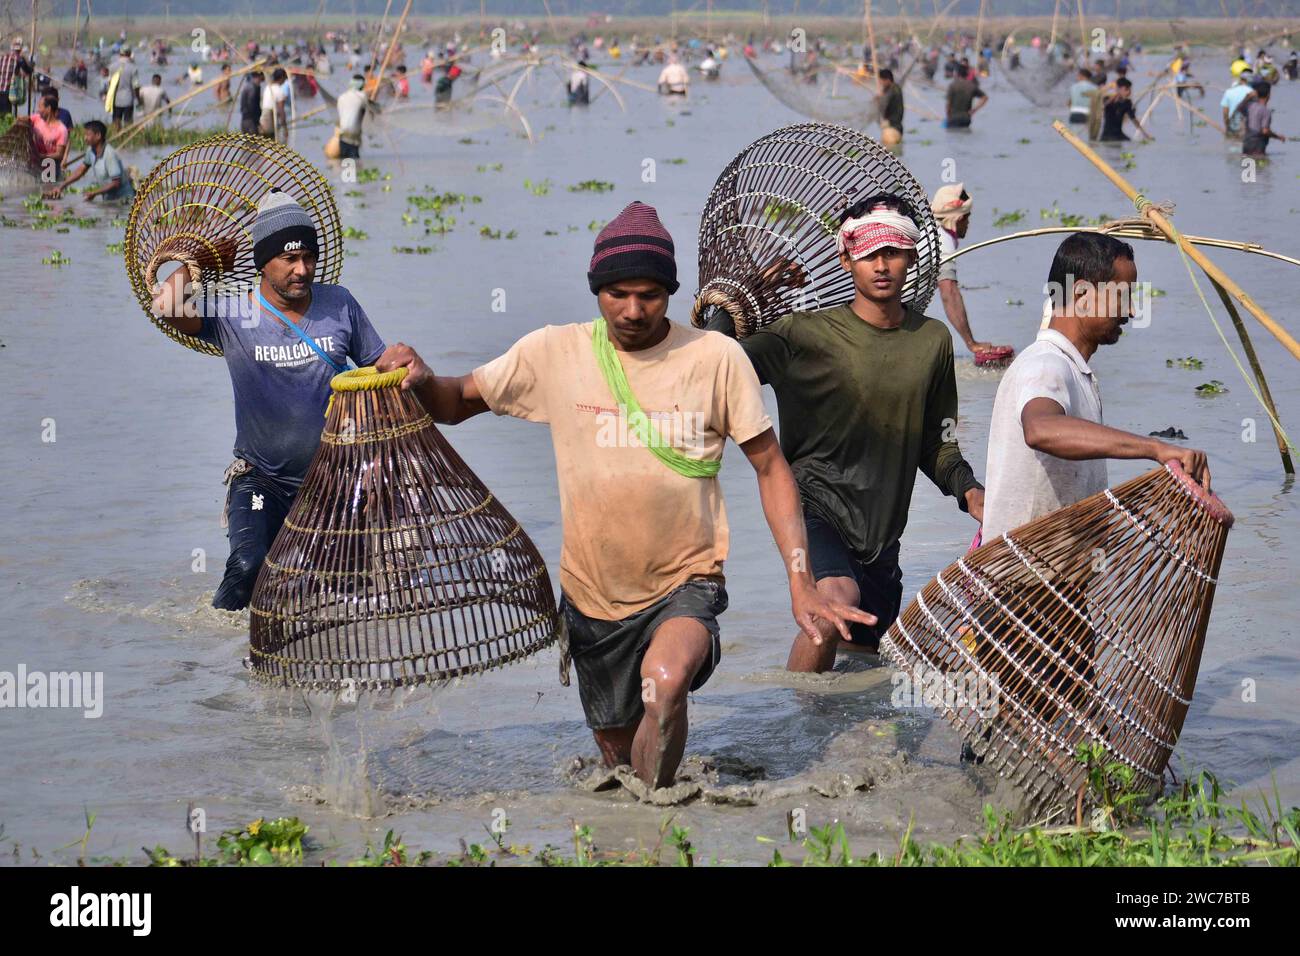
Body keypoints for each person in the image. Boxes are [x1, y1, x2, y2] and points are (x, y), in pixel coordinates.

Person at [374, 201, 869, 787]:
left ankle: (665, 827)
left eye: (650, 295)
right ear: (596, 290)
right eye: (618, 294)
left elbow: (771, 469)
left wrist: (799, 580)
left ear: (670, 293)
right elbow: (456, 403)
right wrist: (423, 378)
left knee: (664, 686)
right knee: (618, 767)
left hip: (687, 582)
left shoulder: (715, 358)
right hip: (593, 599)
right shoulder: (553, 353)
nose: (634, 311)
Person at [705, 195, 985, 673]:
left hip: (882, 535)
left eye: (894, 252)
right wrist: (737, 300)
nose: (882, 265)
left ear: (913, 257)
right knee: (831, 609)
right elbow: (712, 363)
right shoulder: (801, 336)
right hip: (815, 508)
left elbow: (936, 442)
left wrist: (971, 492)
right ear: (845, 257)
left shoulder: (933, 341)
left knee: (864, 673)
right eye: (869, 252)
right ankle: (792, 734)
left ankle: (825, 735)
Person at [150, 190, 388, 611]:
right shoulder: (233, 313)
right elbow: (166, 305)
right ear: (264, 262)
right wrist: (199, 261)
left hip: (332, 480)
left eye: (309, 257)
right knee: (248, 565)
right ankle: (215, 656)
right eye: (290, 259)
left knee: (349, 591)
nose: (303, 270)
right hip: (262, 481)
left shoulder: (340, 304)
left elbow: (380, 373)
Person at [983, 231, 1211, 549]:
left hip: (1055, 582)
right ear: (1081, 294)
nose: (1130, 312)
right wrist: (1155, 449)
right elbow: (1041, 429)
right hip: (1024, 584)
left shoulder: (1076, 372)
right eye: (1121, 296)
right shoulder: (1047, 364)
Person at [932, 183, 1012, 361]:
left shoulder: (930, 232)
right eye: (967, 218)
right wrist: (972, 344)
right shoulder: (943, 243)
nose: (968, 224)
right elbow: (949, 293)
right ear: (959, 219)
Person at [46, 120, 134, 203]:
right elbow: (80, 171)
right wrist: (61, 187)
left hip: (123, 200)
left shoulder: (110, 155)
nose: (85, 138)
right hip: (109, 199)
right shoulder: (90, 151)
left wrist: (95, 193)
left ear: (98, 135)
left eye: (88, 135)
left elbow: (116, 183)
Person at [17, 93, 68, 180]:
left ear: (48, 109)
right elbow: (25, 120)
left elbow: (59, 155)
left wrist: (42, 156)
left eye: (40, 107)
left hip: (50, 165)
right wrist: (21, 120)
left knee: (47, 189)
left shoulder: (61, 129)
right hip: (35, 162)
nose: (38, 110)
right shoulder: (37, 118)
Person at [1099, 77, 1152, 142]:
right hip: (1107, 136)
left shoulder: (1127, 103)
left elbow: (1133, 119)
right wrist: (1116, 95)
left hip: (1119, 135)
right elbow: (1103, 106)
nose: (1129, 92)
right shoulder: (1107, 99)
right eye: (1126, 89)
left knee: (1131, 143)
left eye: (1130, 89)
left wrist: (1145, 134)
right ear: (1118, 89)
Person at [1243, 81, 1286, 157]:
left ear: (1256, 94)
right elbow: (1265, 131)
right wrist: (1277, 137)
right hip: (1257, 146)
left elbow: (1239, 108)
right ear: (1269, 95)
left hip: (1247, 144)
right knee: (1261, 167)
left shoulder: (1250, 106)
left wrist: (1247, 97)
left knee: (1248, 166)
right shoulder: (1266, 111)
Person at [945, 62, 987, 128]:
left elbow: (948, 104)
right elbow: (985, 97)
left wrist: (948, 117)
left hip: (953, 118)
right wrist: (974, 110)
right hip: (966, 119)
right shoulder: (971, 86)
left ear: (957, 74)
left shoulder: (952, 86)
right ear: (967, 74)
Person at [108, 46, 140, 129]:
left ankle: (116, 137)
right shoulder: (133, 68)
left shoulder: (112, 67)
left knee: (116, 122)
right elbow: (136, 86)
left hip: (116, 100)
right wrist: (138, 99)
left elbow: (110, 83)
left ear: (120, 54)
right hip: (128, 99)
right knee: (128, 123)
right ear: (129, 54)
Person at [335, 74, 366, 159]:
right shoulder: (362, 97)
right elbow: (371, 110)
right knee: (354, 163)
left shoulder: (341, 97)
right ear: (362, 85)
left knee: (344, 164)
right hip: (353, 138)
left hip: (342, 136)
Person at [0, 36, 33, 116]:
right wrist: (29, 62)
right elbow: (29, 71)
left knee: (2, 115)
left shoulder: (3, 57)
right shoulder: (19, 59)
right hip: (10, 91)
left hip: (1, 89)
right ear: (20, 49)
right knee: (7, 115)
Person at [1221, 68, 1255, 139]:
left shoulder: (1228, 92)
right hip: (1248, 128)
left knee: (1231, 146)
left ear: (1241, 79)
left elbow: (1225, 113)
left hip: (1233, 126)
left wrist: (1227, 126)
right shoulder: (1253, 93)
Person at [876, 67, 904, 143]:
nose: (881, 83)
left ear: (887, 80)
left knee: (890, 151)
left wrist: (880, 97)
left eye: (881, 81)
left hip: (893, 129)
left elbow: (885, 104)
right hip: (892, 128)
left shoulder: (893, 90)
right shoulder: (891, 89)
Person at [260, 67, 289, 141]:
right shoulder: (279, 90)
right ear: (281, 78)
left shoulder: (268, 88)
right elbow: (281, 111)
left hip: (262, 121)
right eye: (285, 78)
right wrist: (285, 128)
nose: (285, 80)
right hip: (269, 122)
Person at [239, 70, 264, 135]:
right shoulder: (253, 88)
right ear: (259, 77)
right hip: (250, 121)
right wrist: (256, 121)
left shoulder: (247, 86)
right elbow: (252, 104)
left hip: (244, 120)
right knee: (253, 144)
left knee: (248, 143)